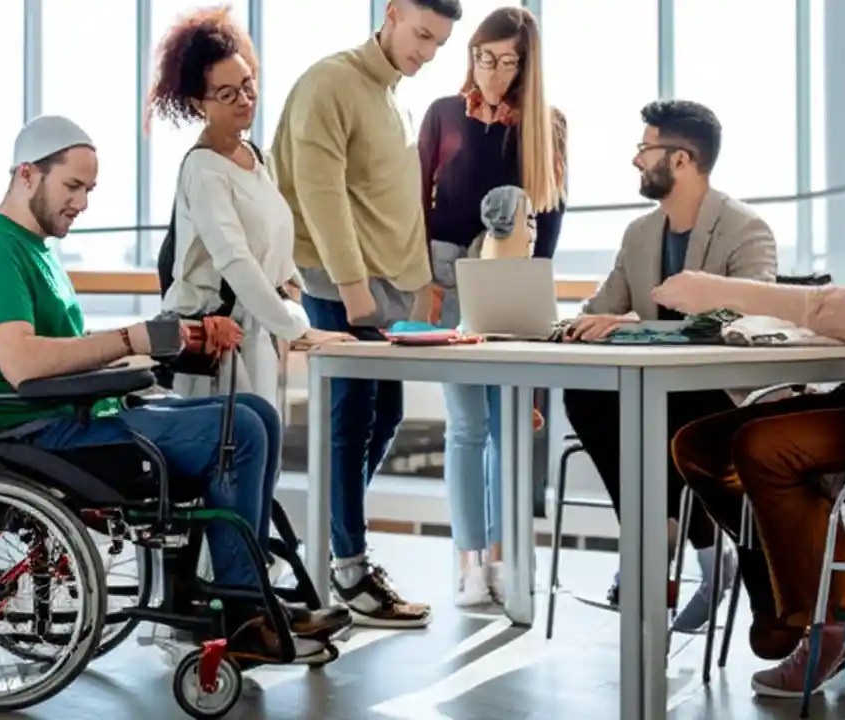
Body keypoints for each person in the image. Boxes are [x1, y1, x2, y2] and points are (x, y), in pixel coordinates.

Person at [0, 114, 349, 659]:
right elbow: (21, 363)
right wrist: (129, 339)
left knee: (255, 413)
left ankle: (241, 599)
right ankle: (242, 607)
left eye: (89, 189)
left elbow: (61, 355)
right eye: (73, 186)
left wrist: (152, 346)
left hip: (73, 420)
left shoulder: (33, 249)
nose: (82, 203)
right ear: (26, 175)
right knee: (242, 427)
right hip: (45, 437)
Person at [656, 94, 845, 698]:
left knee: (763, 445)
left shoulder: (743, 224)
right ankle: (837, 609)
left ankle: (823, 623)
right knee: (701, 443)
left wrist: (735, 294)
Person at [268, 0, 461, 629]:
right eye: (423, 35)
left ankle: (328, 550)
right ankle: (348, 569)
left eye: (439, 43)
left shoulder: (392, 97)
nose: (428, 52)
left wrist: (415, 286)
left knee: (387, 414)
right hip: (341, 284)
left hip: (387, 293)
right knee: (349, 419)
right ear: (393, 12)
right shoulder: (332, 81)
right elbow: (320, 192)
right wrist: (352, 289)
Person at [562, 99, 778, 630]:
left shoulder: (745, 229)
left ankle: (658, 556)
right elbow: (602, 310)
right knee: (586, 396)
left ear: (680, 159)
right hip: (661, 399)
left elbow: (749, 322)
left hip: (724, 399)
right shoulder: (640, 234)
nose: (636, 160)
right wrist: (572, 325)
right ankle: (662, 546)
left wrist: (637, 329)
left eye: (644, 149)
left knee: (667, 416)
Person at [416, 6, 566, 608]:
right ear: (470, 56)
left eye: (509, 62)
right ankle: (468, 561)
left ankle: (503, 559)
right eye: (485, 59)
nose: (496, 74)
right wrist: (424, 286)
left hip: (512, 282)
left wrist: (537, 306)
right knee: (467, 428)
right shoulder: (443, 115)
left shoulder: (544, 124)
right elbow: (418, 207)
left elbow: (550, 223)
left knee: (509, 431)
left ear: (527, 64)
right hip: (447, 278)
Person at [147, 6, 353, 409]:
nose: (244, 99)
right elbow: (235, 260)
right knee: (229, 458)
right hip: (214, 341)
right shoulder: (204, 169)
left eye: (247, 84)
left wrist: (291, 300)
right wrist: (299, 328)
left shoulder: (258, 158)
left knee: (258, 453)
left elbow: (273, 246)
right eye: (227, 93)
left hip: (255, 334)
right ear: (197, 103)